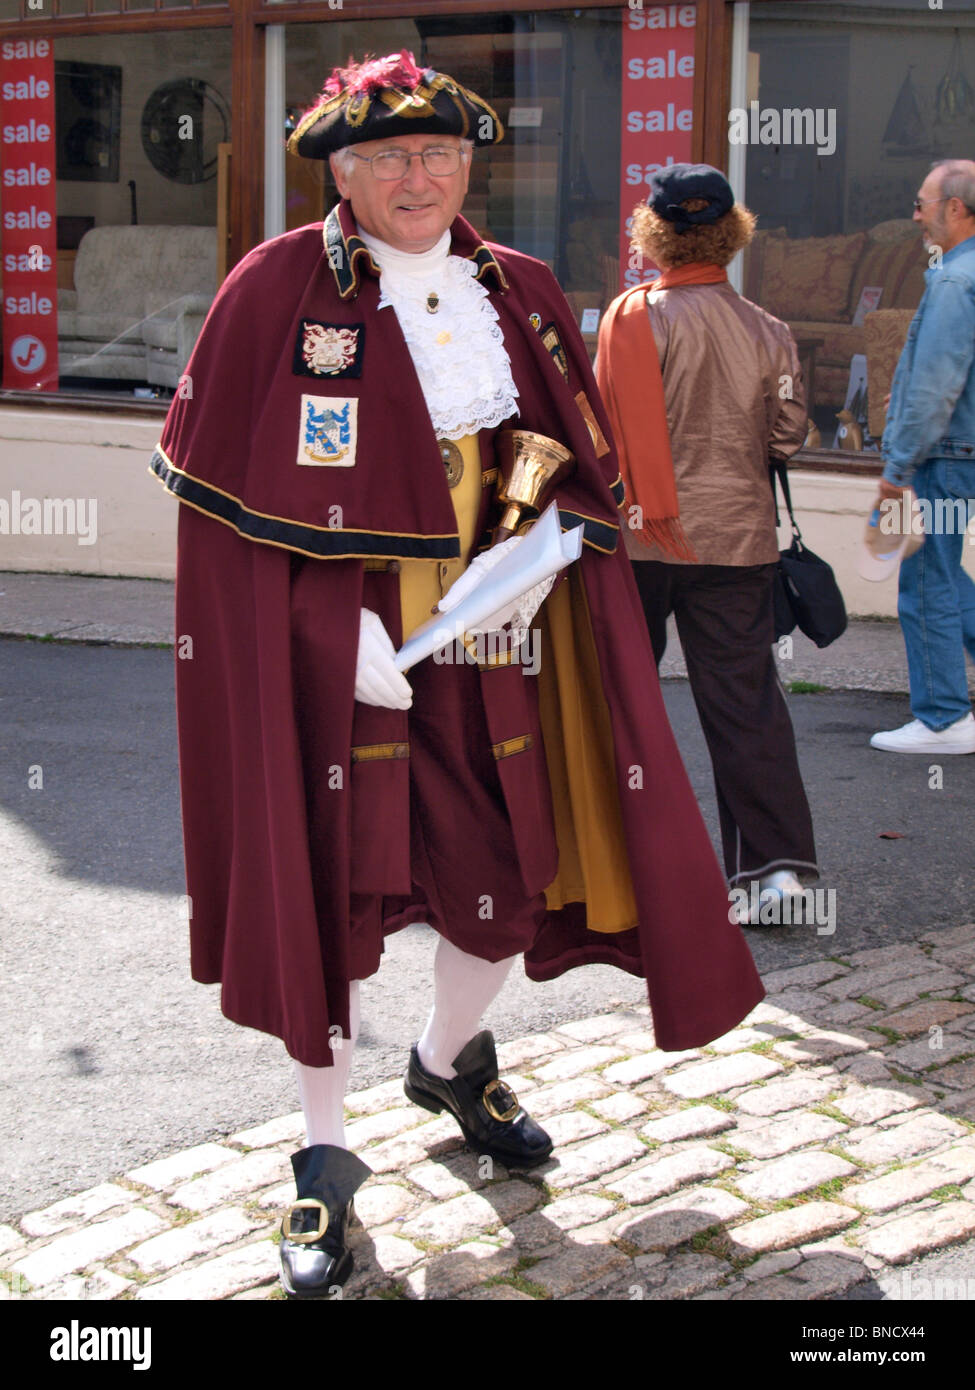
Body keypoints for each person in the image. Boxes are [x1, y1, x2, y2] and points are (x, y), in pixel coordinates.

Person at [150, 57, 763, 1299]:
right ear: (341, 170)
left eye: (439, 157)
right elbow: (220, 513)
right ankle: (325, 1157)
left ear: (472, 167)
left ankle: (446, 1055)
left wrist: (549, 553)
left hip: (496, 651)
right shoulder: (272, 289)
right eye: (386, 159)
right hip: (345, 663)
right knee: (323, 890)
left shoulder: (522, 290)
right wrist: (321, 639)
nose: (416, 179)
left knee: (505, 875)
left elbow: (581, 474)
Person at [597, 164, 818, 923]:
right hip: (735, 540)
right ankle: (778, 881)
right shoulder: (769, 329)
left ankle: (611, 869)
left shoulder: (628, 319)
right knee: (745, 709)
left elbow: (599, 436)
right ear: (732, 234)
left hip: (637, 544)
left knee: (619, 703)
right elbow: (787, 436)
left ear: (651, 233)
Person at [869, 159, 975, 755]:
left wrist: (898, 467)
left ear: (953, 208)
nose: (916, 216)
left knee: (927, 580)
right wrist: (909, 386)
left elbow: (940, 381)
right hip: (965, 446)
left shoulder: (955, 279)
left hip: (944, 453)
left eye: (921, 203)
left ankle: (944, 721)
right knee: (947, 574)